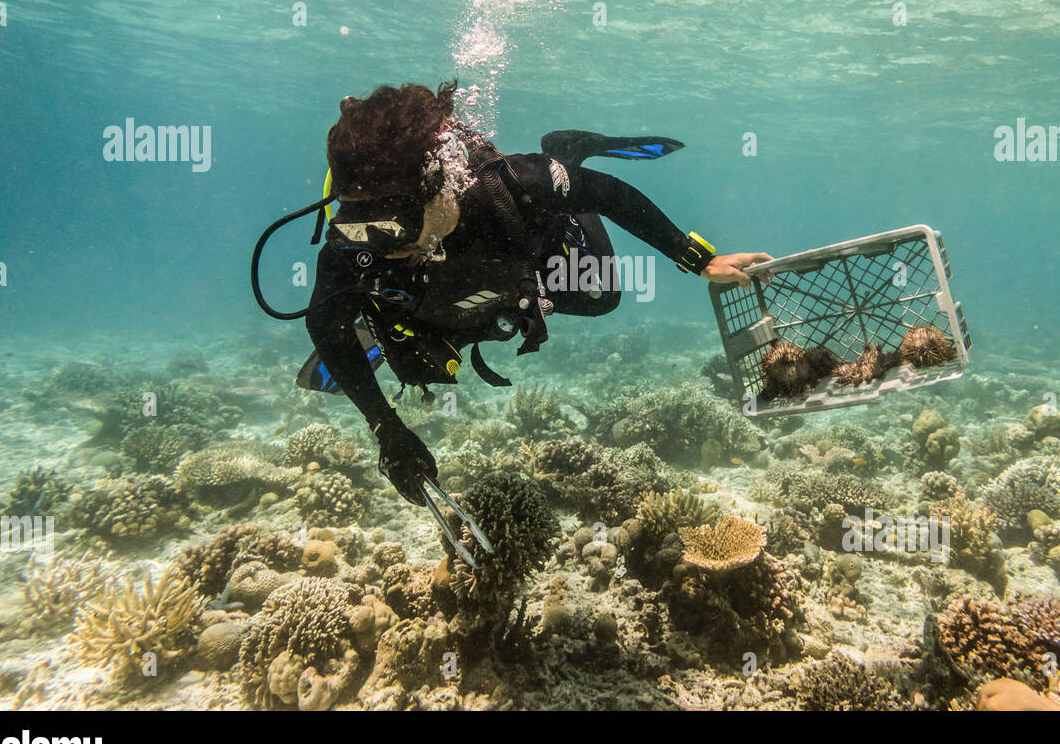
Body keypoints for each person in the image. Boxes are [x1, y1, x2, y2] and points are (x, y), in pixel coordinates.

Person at [302, 80, 774, 507]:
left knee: (601, 297)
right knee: (412, 352)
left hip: (529, 257)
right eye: (362, 232)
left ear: (442, 190)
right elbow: (324, 324)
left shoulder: (514, 184)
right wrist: (387, 430)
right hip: (450, 300)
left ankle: (570, 148)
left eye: (394, 230)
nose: (385, 249)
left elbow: (608, 193)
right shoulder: (354, 250)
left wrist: (697, 258)